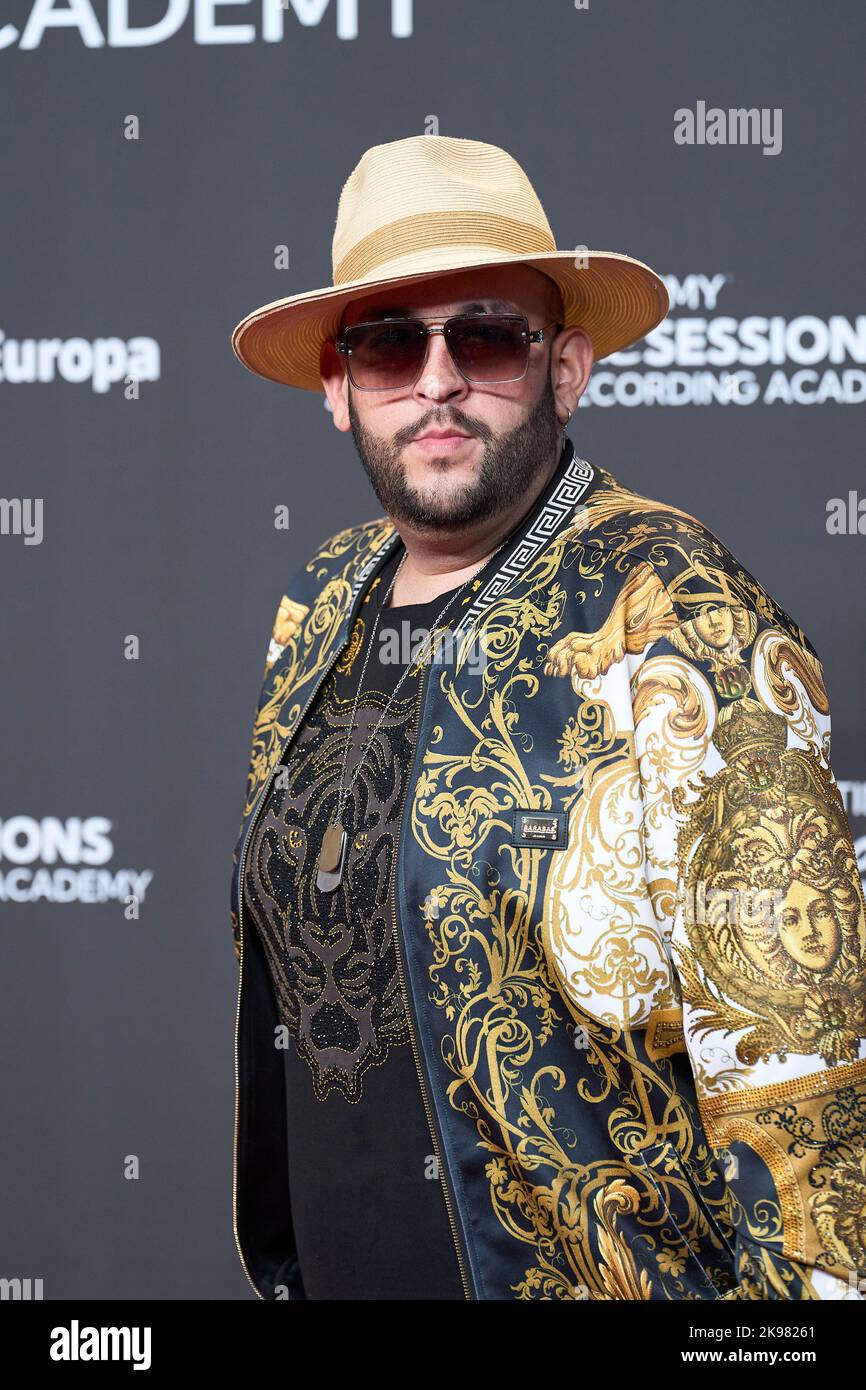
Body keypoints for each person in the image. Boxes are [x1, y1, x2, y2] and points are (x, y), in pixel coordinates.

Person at [229, 134, 866, 1301]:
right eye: (384, 344)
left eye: (482, 335)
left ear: (565, 367)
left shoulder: (673, 605)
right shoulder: (318, 601)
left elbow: (803, 1084)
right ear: (336, 387)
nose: (434, 381)